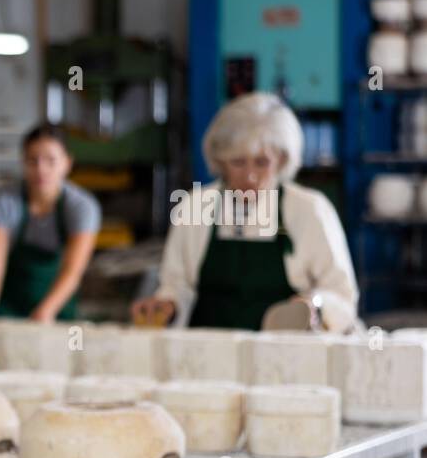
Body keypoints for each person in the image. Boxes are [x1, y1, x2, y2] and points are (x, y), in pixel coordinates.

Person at [132, 92, 359, 332]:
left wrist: (315, 304)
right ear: (220, 161)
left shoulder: (309, 210)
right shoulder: (195, 207)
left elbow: (342, 296)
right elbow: (176, 285)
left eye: (262, 162)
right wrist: (167, 305)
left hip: (287, 360)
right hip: (207, 357)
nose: (249, 176)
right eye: (238, 163)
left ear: (281, 160)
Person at [0, 124, 101, 325]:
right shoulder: (3, 202)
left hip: (58, 309)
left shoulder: (82, 207)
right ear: (23, 162)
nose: (41, 169)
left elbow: (72, 271)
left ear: (67, 163)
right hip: (8, 307)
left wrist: (45, 312)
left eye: (51, 161)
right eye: (33, 160)